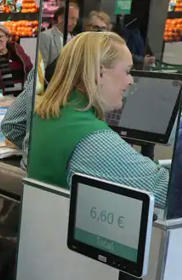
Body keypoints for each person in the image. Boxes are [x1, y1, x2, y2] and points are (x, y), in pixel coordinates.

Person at [29, 32, 169, 207]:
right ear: (98, 72)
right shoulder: (92, 138)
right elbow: (166, 193)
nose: (131, 80)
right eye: (127, 71)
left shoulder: (46, 114)